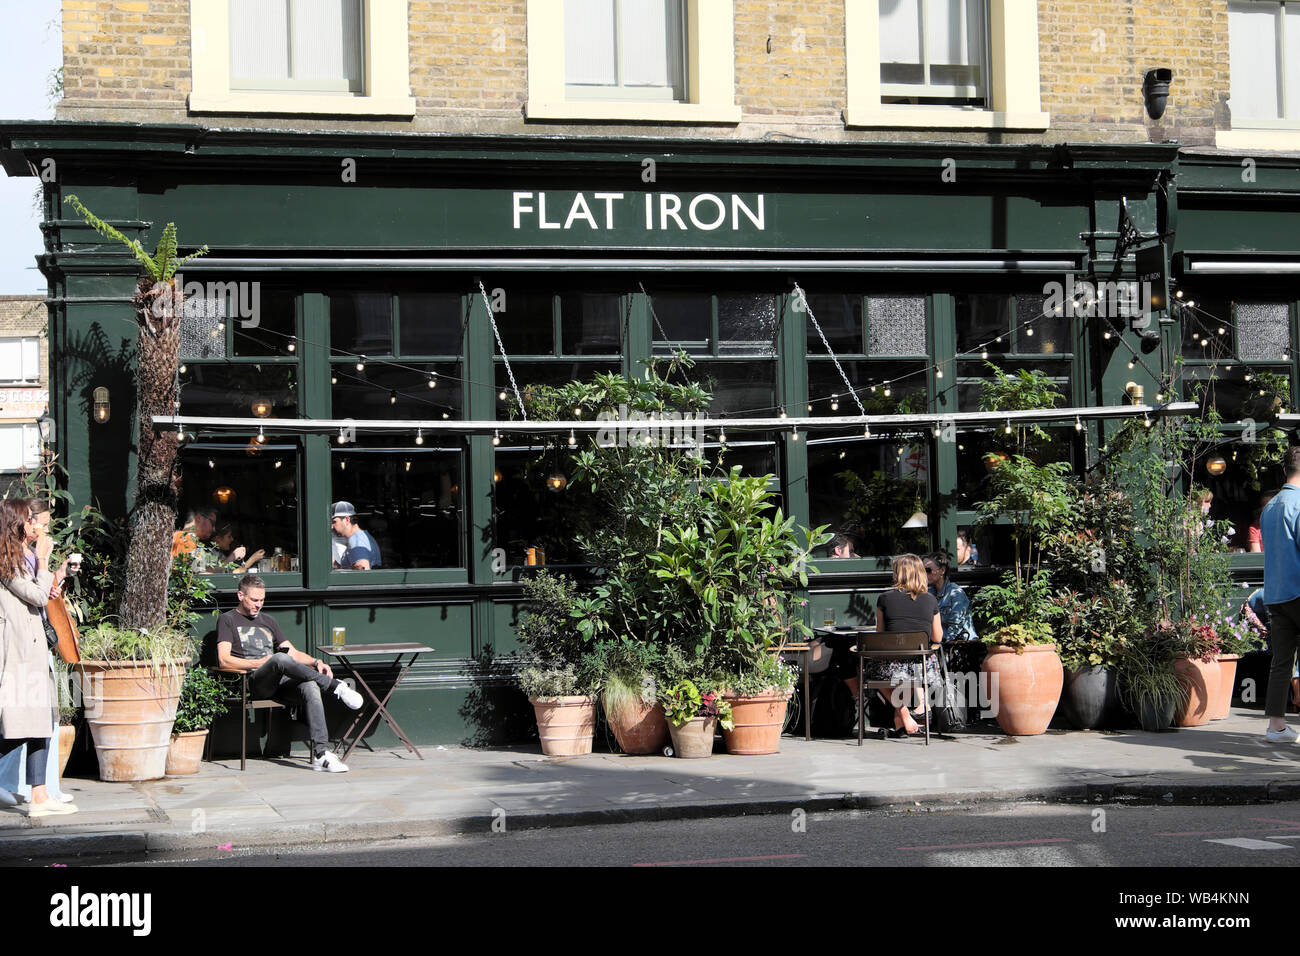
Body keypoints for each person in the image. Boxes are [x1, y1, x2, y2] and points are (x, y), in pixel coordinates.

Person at [216, 574, 363, 772]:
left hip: (281, 683)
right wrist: (261, 662)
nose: (258, 605)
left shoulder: (268, 621)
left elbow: (292, 652)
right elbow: (223, 659)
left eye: (262, 600)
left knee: (309, 685)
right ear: (241, 595)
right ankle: (335, 686)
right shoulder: (227, 620)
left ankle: (321, 755)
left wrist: (315, 661)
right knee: (279, 658)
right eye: (254, 600)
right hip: (254, 682)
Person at [0, 499, 76, 816]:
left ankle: (40, 796)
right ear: (17, 523)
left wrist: (52, 573)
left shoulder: (24, 557)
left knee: (41, 721)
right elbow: (34, 594)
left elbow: (40, 593)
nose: (38, 527)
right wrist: (45, 565)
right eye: (33, 521)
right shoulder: (6, 559)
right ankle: (39, 796)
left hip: (31, 648)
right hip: (17, 651)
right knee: (18, 723)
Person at [870, 553, 943, 737]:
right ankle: (903, 718)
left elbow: (880, 634)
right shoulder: (931, 600)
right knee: (910, 673)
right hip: (922, 667)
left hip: (891, 664)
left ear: (898, 574)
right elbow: (938, 637)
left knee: (871, 672)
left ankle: (902, 715)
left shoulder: (884, 598)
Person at [1260, 447, 1300, 742]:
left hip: (1275, 593)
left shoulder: (1270, 506)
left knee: (1281, 662)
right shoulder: (1298, 504)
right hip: (1298, 590)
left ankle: (1276, 726)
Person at [924, 551, 977, 643]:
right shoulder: (928, 593)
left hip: (960, 644)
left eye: (928, 570)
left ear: (942, 570)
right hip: (939, 644)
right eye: (922, 571)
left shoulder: (956, 593)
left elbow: (955, 628)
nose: (925, 574)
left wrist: (942, 648)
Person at [330, 502, 381, 570]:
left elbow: (362, 575)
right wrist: (335, 564)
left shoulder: (357, 541)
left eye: (334, 522)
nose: (331, 527)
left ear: (347, 519)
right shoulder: (359, 537)